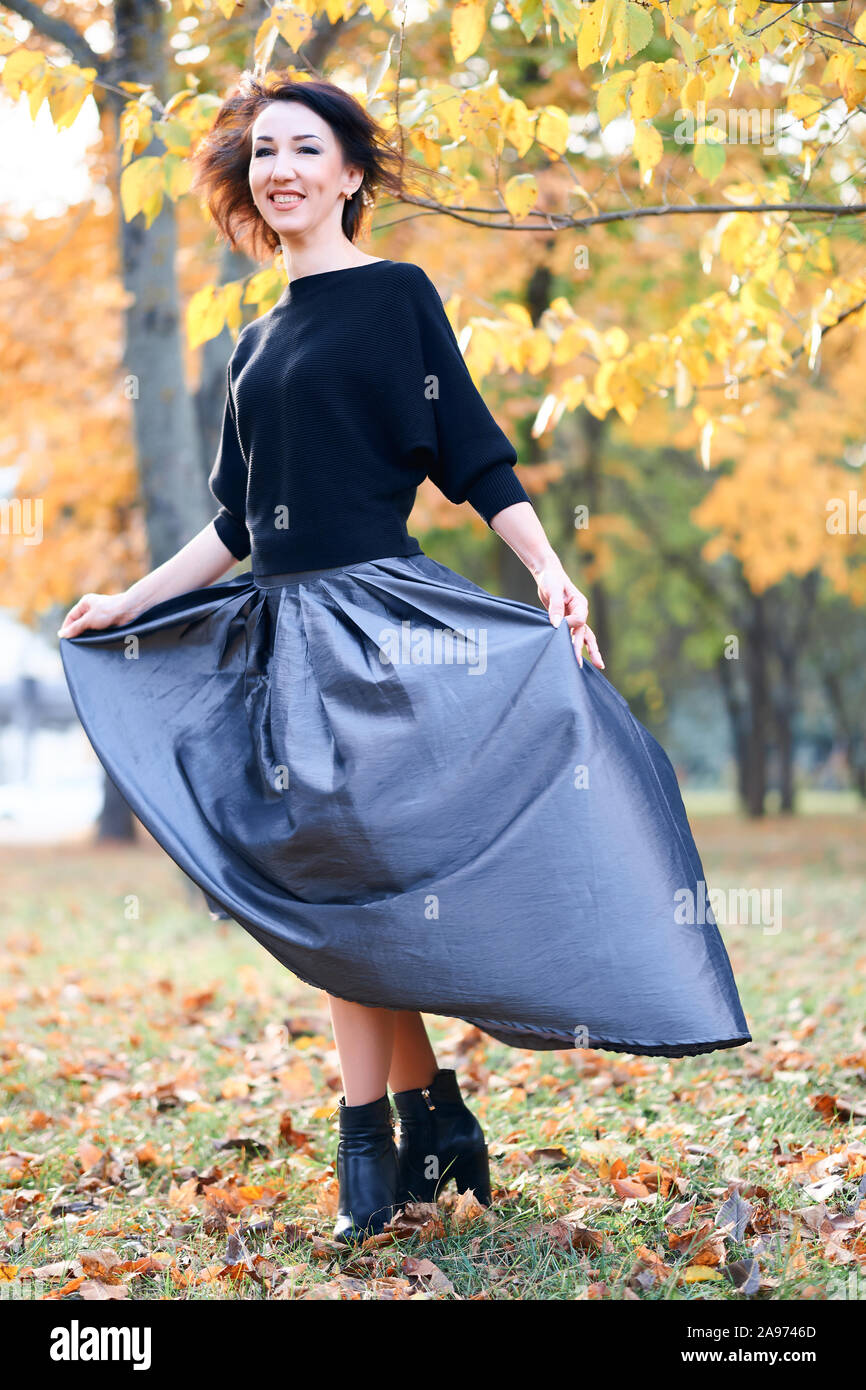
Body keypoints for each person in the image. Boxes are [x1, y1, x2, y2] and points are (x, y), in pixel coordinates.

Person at [58, 74, 751, 1245]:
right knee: (346, 891)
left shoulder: (395, 298)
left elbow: (472, 453)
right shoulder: (253, 339)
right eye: (262, 152)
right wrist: (126, 597)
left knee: (352, 886)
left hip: (381, 632)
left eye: (304, 150)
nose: (279, 168)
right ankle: (434, 1118)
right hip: (284, 646)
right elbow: (235, 523)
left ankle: (366, 1141)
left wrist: (544, 569)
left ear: (347, 175)